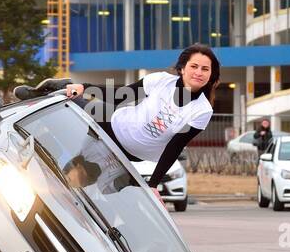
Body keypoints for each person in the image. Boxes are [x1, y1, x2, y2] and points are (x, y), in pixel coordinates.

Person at [14, 43, 220, 198]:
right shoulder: (160, 81)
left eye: (205, 69)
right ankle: (45, 93)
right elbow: (121, 95)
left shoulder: (201, 110)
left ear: (211, 75)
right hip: (114, 125)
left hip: (132, 155)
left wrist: (153, 185)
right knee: (74, 103)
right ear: (182, 68)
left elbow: (175, 147)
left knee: (77, 178)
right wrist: (85, 86)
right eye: (194, 66)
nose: (199, 73)